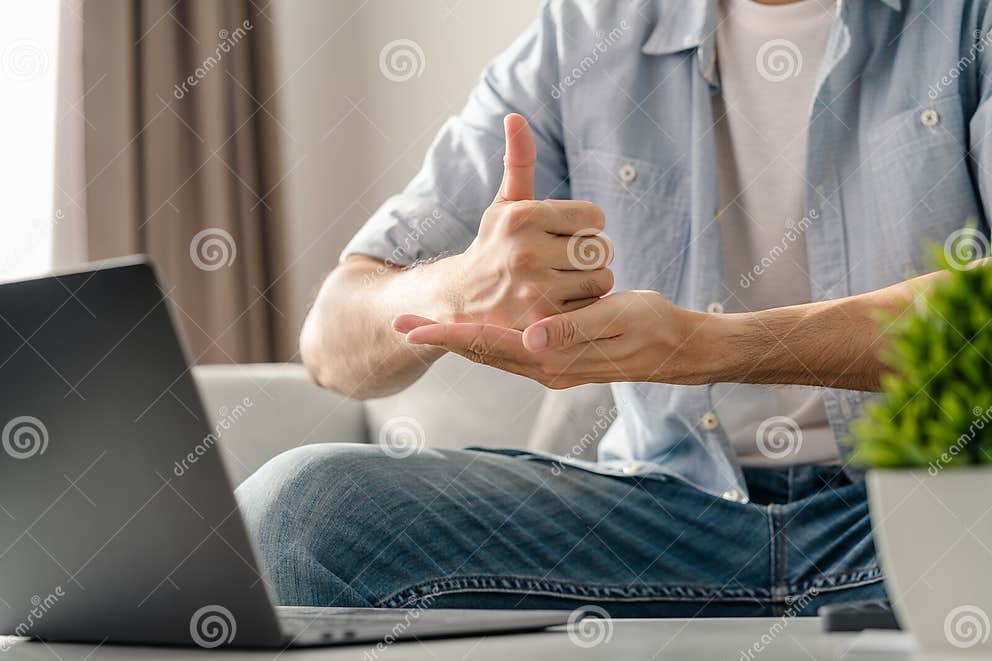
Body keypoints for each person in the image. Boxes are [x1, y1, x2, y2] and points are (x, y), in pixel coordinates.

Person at [236, 0, 991, 616]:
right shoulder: (585, 35)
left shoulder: (966, 21)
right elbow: (332, 341)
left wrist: (706, 346)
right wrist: (460, 284)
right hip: (662, 519)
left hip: (933, 511)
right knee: (302, 511)